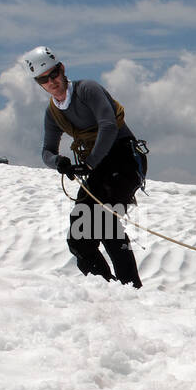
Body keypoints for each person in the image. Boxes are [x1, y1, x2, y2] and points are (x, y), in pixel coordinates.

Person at [24, 46, 145, 288]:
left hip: (124, 159)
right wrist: (60, 163)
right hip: (99, 167)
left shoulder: (87, 89)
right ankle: (109, 288)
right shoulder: (53, 113)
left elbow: (108, 125)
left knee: (102, 219)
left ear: (62, 69)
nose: (52, 82)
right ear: (39, 83)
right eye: (44, 79)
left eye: (53, 74)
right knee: (79, 239)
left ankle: (130, 289)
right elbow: (46, 151)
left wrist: (89, 164)